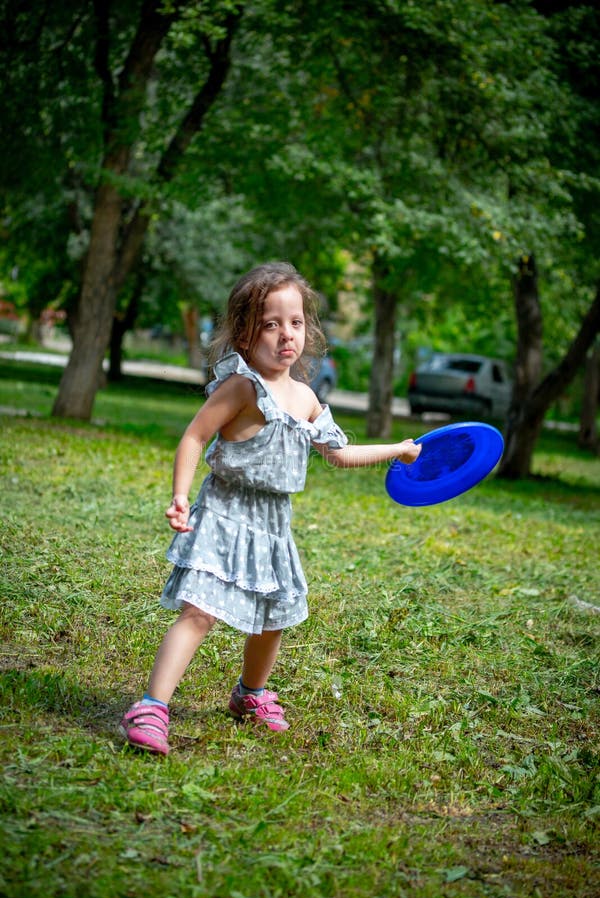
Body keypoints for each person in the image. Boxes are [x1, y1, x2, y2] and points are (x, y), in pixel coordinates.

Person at [120, 262, 421, 755]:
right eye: (272, 323)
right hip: (224, 511)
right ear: (245, 331)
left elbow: (339, 454)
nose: (287, 335)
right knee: (200, 611)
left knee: (273, 615)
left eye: (296, 322)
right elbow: (195, 436)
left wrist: (400, 449)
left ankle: (250, 694)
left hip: (273, 523)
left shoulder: (305, 397)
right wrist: (179, 494)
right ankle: (152, 706)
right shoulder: (242, 386)